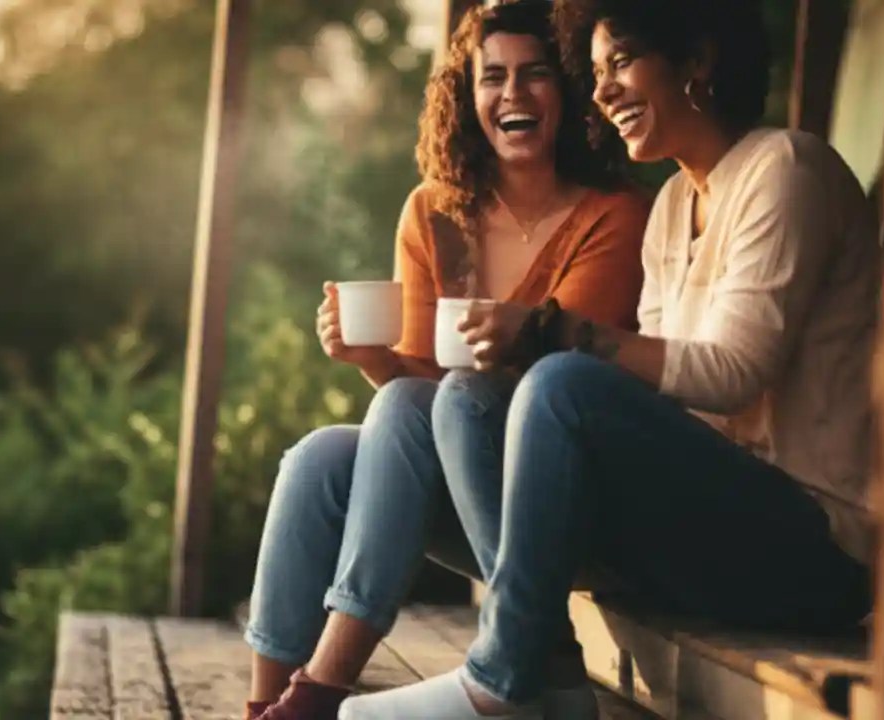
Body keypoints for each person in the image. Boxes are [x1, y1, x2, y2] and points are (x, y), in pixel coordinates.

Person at [337, 0, 879, 718]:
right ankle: (549, 680)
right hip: (705, 530)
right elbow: (668, 408)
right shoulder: (672, 206)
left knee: (562, 382)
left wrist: (553, 333)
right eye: (594, 74)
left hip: (814, 553)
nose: (601, 92)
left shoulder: (786, 168)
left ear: (699, 61)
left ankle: (502, 677)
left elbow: (732, 372)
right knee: (461, 400)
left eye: (620, 63)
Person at [242, 2, 651, 719]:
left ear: (568, 92)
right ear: (467, 98)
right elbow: (423, 402)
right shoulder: (435, 212)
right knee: (318, 459)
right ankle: (265, 704)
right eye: (492, 77)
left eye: (536, 75)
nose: (513, 94)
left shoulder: (612, 215)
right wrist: (372, 358)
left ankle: (320, 691)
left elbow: (555, 386)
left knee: (417, 403)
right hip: (467, 473)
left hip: (564, 498)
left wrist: (459, 365)